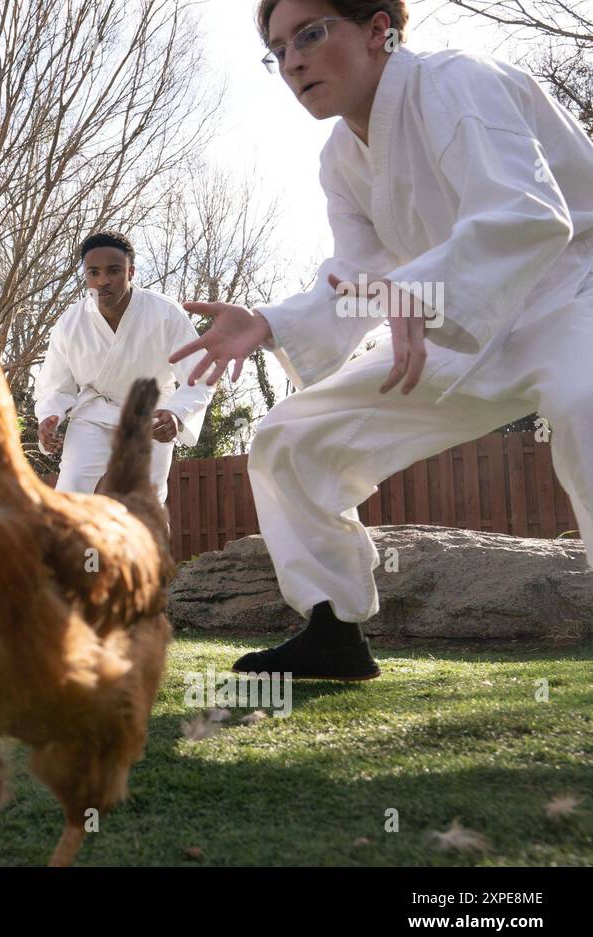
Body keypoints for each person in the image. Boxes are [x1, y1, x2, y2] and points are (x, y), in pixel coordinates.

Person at [171, 0, 593, 680]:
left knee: (585, 404)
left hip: (575, 291)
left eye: (310, 34)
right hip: (451, 317)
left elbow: (527, 213)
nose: (294, 61)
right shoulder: (340, 159)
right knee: (291, 437)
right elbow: (364, 278)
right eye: (277, 51)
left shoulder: (457, 81)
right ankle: (333, 632)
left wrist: (418, 290)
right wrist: (269, 322)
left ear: (378, 29)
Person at [34, 231, 214, 501]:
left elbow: (199, 376)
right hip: (93, 412)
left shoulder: (165, 312)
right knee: (71, 490)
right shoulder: (70, 323)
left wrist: (177, 414)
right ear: (85, 275)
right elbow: (57, 385)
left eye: (114, 270)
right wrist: (49, 417)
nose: (103, 281)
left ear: (131, 272)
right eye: (93, 272)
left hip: (151, 415)